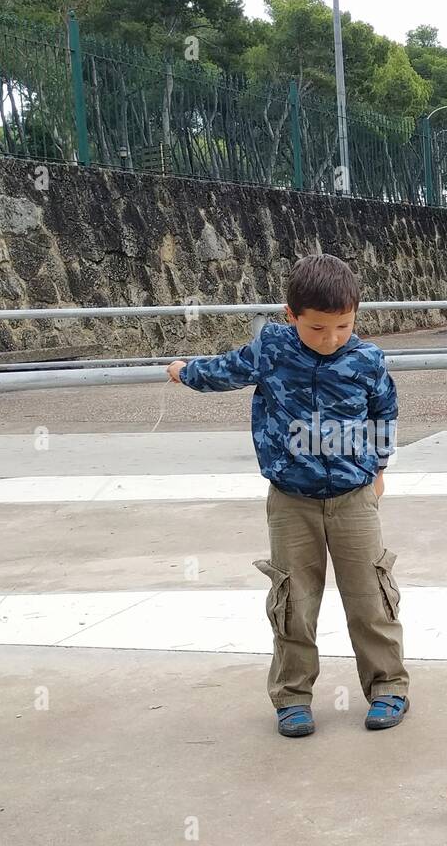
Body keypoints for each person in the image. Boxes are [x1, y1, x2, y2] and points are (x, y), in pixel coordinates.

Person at [167, 253, 410, 738]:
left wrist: (380, 468)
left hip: (354, 496)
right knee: (292, 601)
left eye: (342, 326)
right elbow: (225, 370)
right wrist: (184, 371)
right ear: (290, 315)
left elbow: (385, 412)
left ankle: (388, 686)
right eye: (317, 328)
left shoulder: (367, 359)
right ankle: (293, 697)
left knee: (370, 596)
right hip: (291, 499)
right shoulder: (272, 349)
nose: (330, 338)